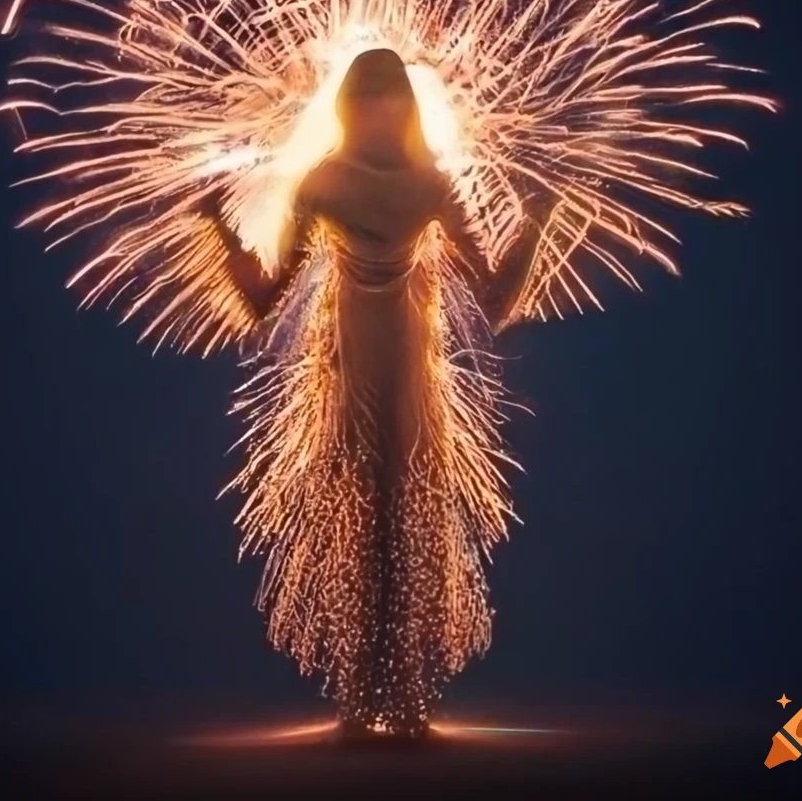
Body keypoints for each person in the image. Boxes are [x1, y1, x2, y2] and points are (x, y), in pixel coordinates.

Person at [198, 48, 548, 736]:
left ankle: (366, 703)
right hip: (406, 378)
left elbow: (262, 299)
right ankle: (403, 703)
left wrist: (218, 227)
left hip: (360, 375)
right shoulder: (428, 183)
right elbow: (499, 299)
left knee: (371, 530)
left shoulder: (325, 181)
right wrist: (536, 222)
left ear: (346, 106)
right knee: (399, 528)